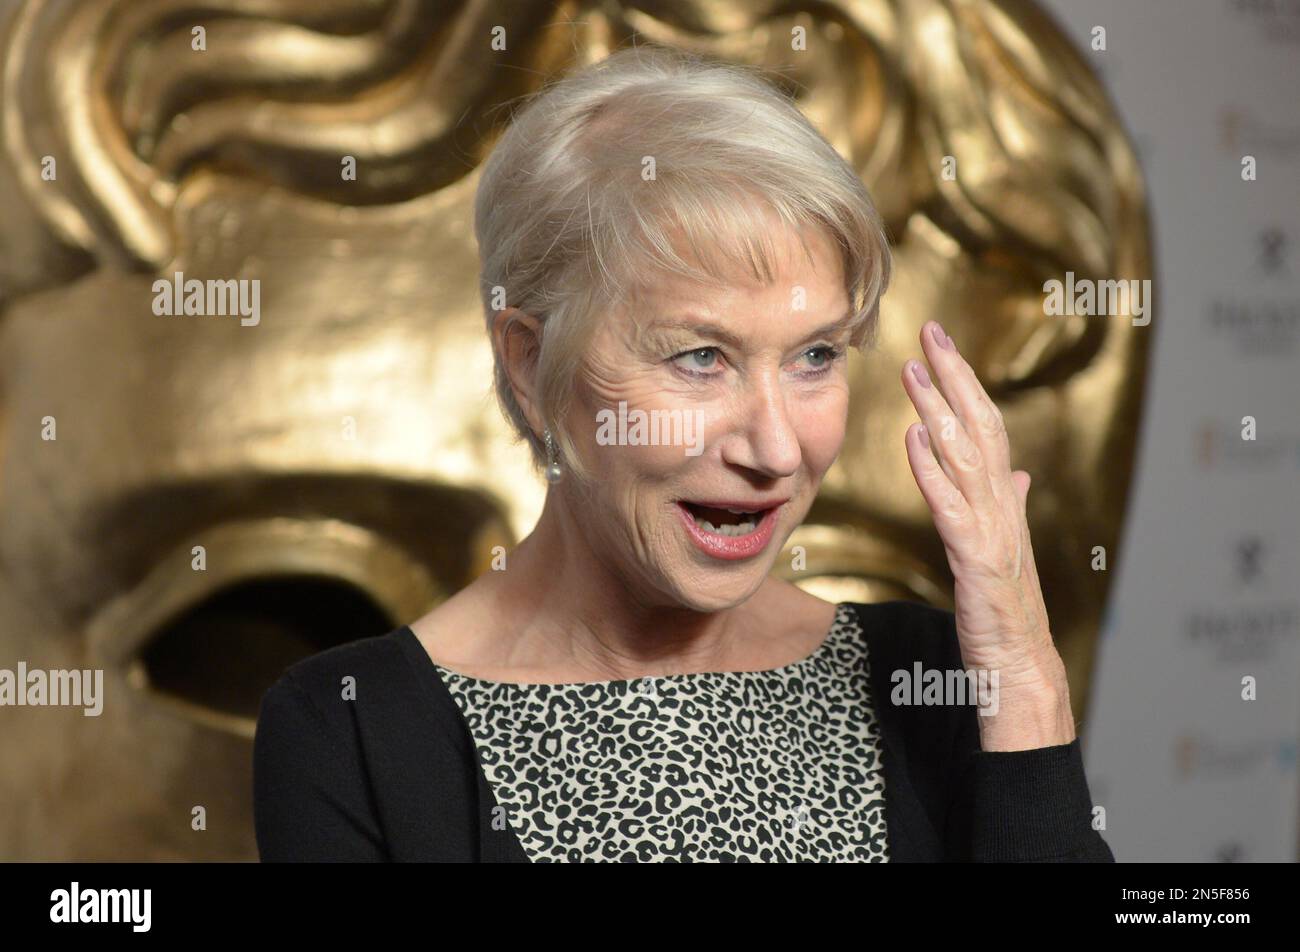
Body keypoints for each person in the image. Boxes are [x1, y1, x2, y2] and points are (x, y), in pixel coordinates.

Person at [253, 45, 1114, 862]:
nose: (776, 449)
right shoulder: (353, 732)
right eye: (700, 358)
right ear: (529, 364)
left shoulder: (935, 678)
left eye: (815, 355)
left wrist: (1022, 673)